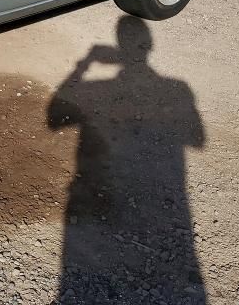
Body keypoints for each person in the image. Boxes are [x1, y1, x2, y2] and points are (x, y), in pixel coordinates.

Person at [48, 16, 207, 304]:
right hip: (165, 207)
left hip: (93, 210)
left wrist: (83, 64)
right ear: (149, 46)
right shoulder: (177, 88)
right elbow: (198, 139)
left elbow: (53, 116)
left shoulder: (99, 87)